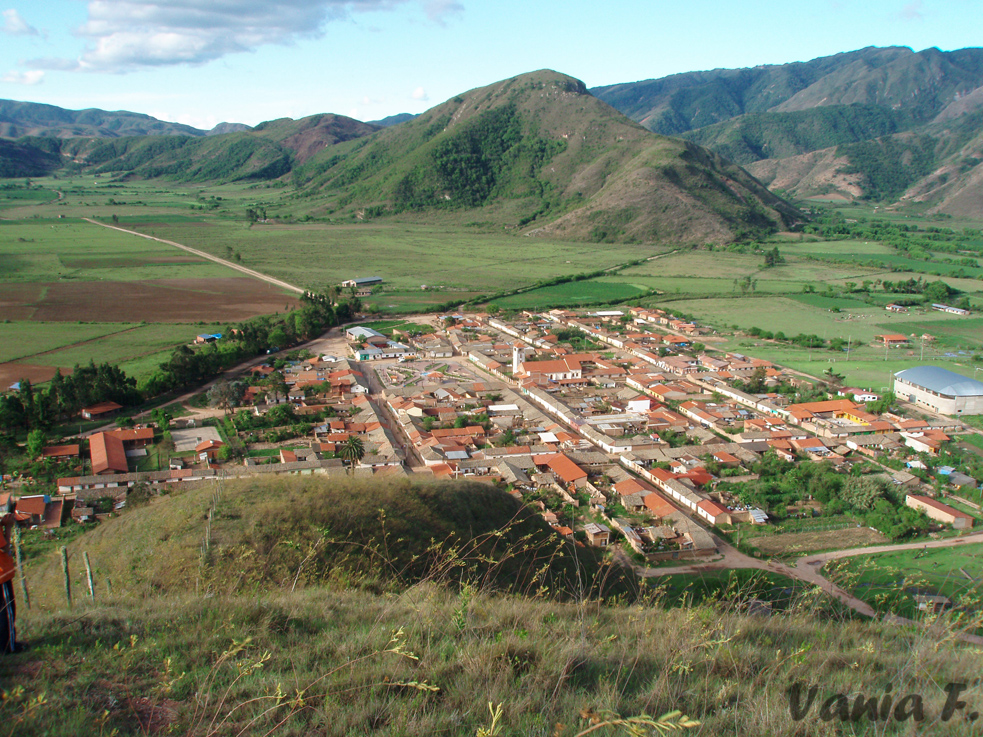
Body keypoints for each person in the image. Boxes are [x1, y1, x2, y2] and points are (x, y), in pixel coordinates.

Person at [0, 500, 19, 654]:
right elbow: (4, 548)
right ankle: (9, 647)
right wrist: (7, 527)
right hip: (1, 575)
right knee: (7, 612)